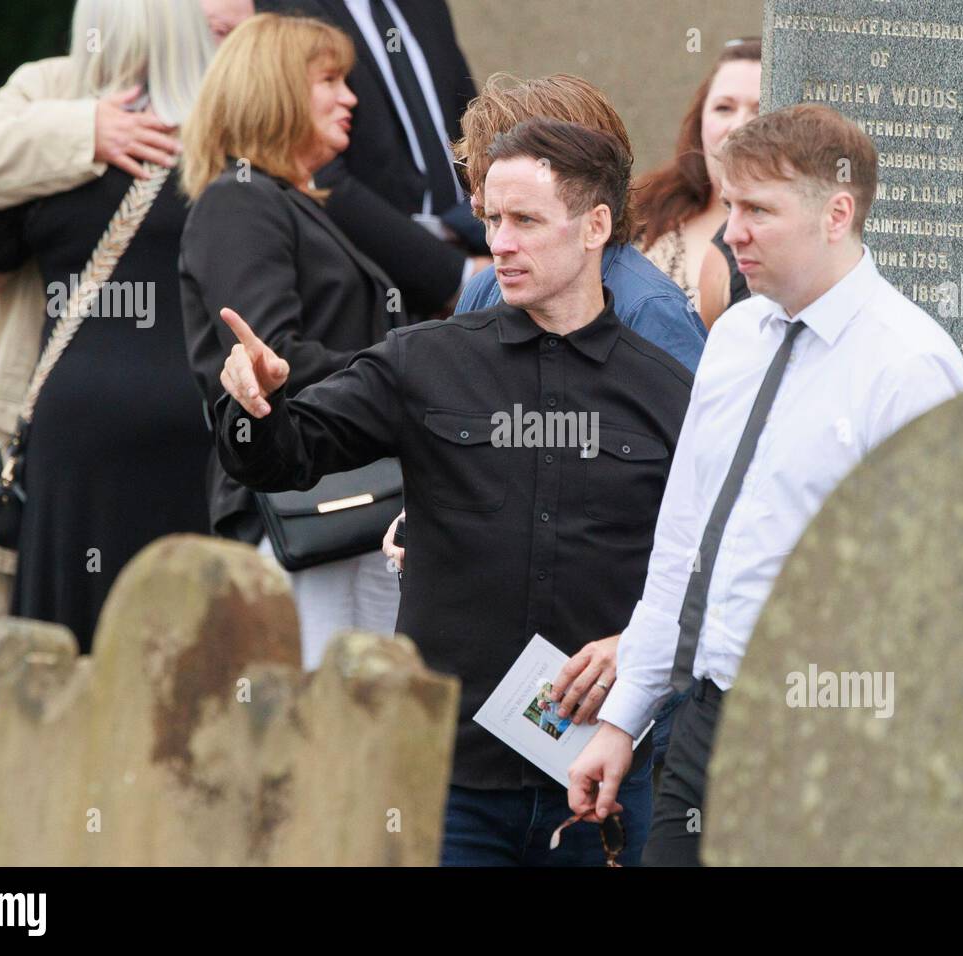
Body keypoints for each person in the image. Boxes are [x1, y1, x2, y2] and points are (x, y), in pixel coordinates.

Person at [213, 118, 692, 866]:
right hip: (445, 776)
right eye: (492, 220)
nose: (500, 243)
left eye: (526, 221)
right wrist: (253, 406)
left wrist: (636, 645)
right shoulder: (423, 362)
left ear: (596, 225)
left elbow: (712, 568)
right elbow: (288, 456)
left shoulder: (668, 392)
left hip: (599, 771)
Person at [567, 103, 963, 866]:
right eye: (729, 204)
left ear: (837, 213)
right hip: (703, 723)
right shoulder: (734, 339)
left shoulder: (911, 367)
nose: (732, 232)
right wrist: (623, 720)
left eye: (758, 209)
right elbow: (683, 543)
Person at [0, 0, 251, 621]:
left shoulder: (236, 119)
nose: (229, 36)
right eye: (217, 26)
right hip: (44, 427)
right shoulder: (51, 87)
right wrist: (80, 132)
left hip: (169, 439)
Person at [179, 13, 402, 667]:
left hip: (341, 505)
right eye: (329, 79)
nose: (350, 97)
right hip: (303, 507)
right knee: (321, 729)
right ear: (272, 89)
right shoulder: (240, 202)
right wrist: (411, 370)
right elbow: (272, 357)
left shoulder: (292, 201)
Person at [453, 72, 707, 373]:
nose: (476, 198)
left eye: (524, 215)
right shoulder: (485, 290)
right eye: (481, 178)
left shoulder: (649, 311)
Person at [258, 0, 491, 315]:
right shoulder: (284, 10)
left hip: (481, 252)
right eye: (331, 80)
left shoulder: (424, 7)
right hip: (382, 297)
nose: (347, 98)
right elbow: (313, 169)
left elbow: (473, 124)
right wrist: (456, 276)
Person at [633, 37, 761, 316]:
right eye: (724, 108)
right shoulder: (639, 212)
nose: (739, 125)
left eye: (759, 110)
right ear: (700, 122)